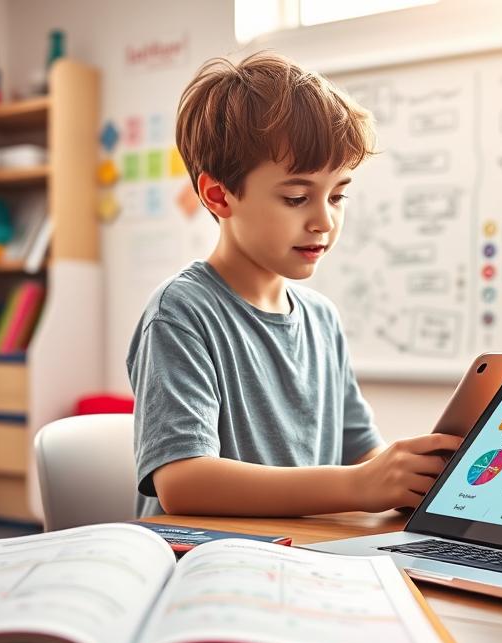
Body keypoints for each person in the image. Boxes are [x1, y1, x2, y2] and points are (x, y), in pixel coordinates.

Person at [127, 51, 461, 518]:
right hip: (208, 567)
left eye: (338, 195)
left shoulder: (321, 318)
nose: (324, 220)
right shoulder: (180, 311)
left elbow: (360, 451)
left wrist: (404, 480)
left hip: (301, 562)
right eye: (297, 197)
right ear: (219, 195)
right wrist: (360, 485)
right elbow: (183, 481)